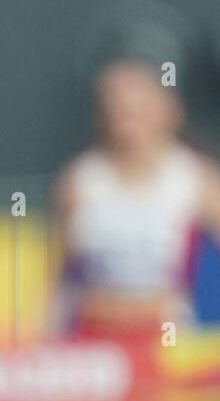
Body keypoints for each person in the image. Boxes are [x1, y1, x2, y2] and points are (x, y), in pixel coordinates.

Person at [50, 57, 220, 339]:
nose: (126, 117)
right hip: (94, 335)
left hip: (163, 334)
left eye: (138, 107)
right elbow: (59, 280)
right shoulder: (80, 181)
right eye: (117, 108)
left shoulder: (194, 178)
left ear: (168, 109)